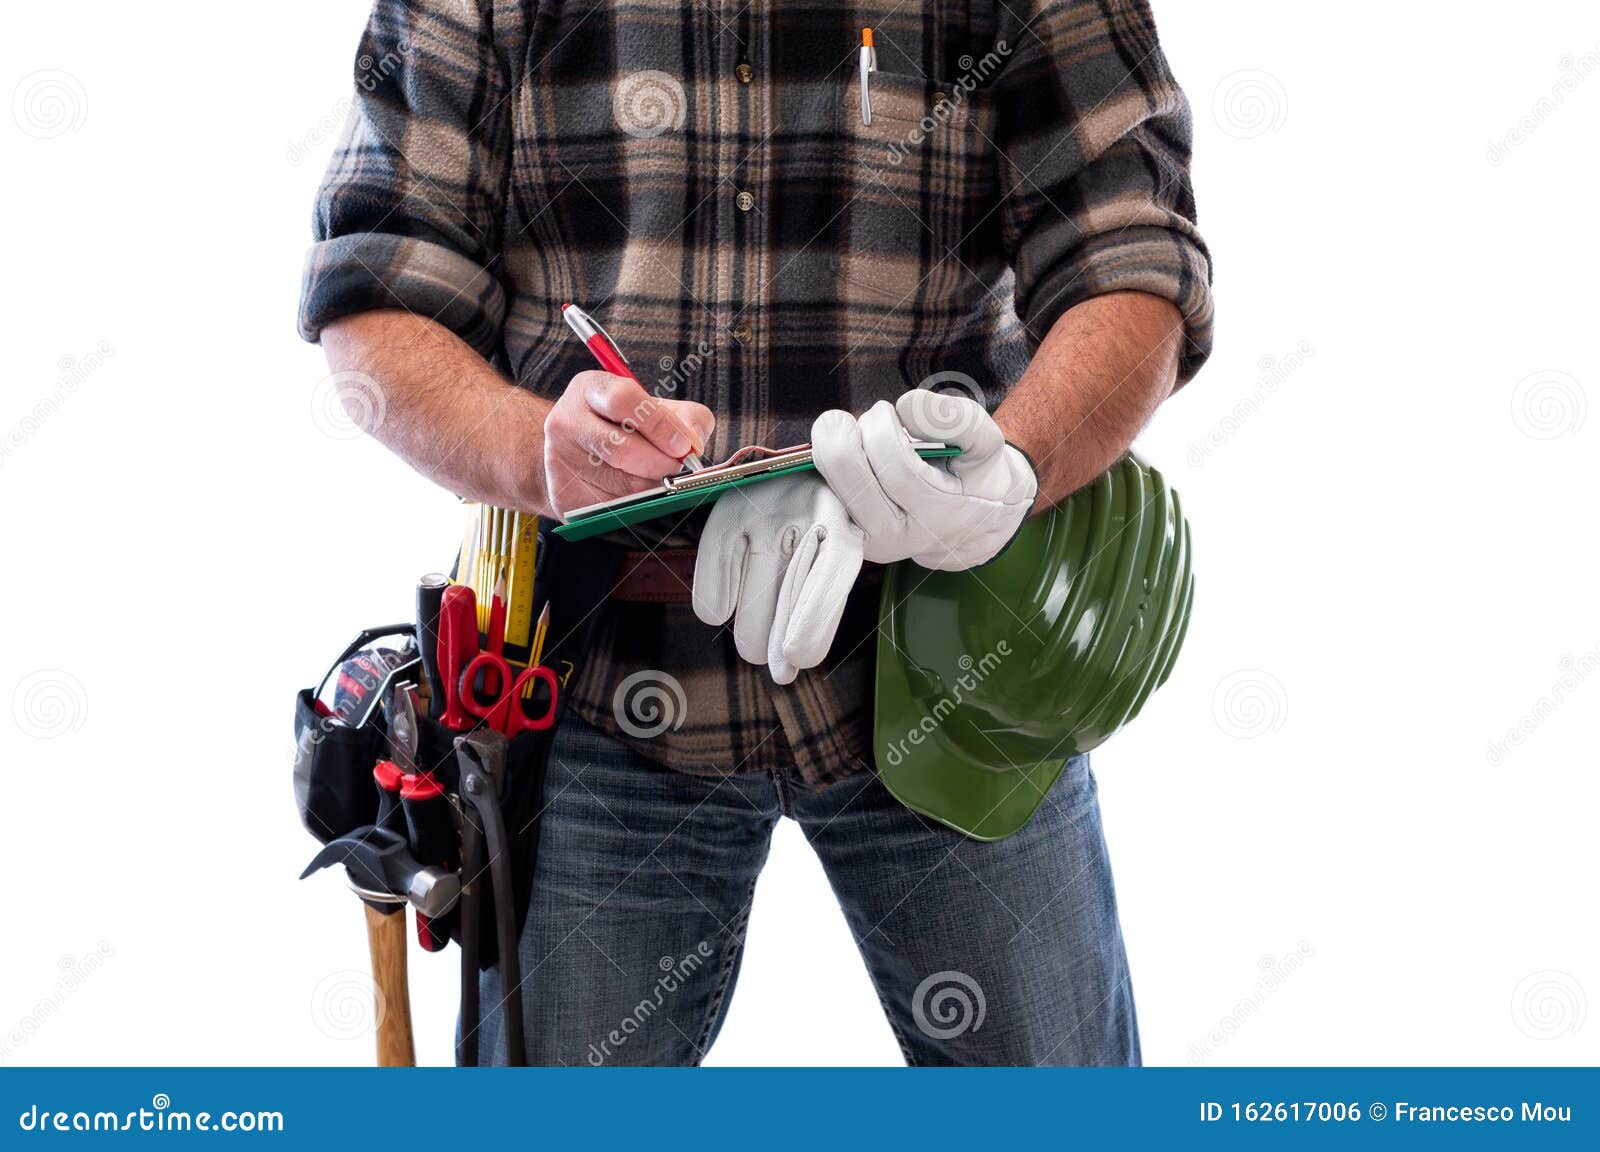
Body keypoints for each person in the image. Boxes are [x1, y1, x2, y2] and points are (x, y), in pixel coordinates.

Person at [299, 0, 1212, 1065]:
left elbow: (1133, 252)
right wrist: (530, 448)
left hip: (957, 663)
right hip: (597, 681)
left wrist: (1012, 465)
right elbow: (376, 291)